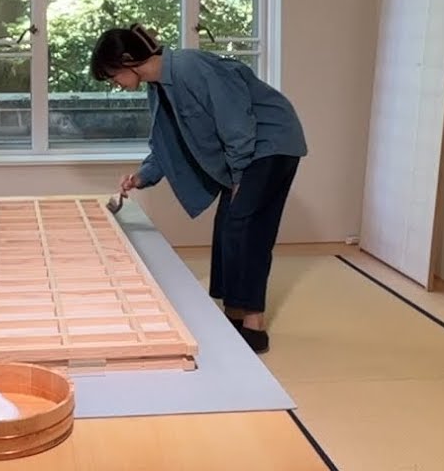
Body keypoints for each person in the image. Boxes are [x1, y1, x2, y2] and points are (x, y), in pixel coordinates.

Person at [89, 24, 306, 353]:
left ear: (128, 60)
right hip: (250, 148)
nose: (114, 83)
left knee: (245, 227)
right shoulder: (157, 87)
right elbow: (168, 143)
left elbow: (236, 122)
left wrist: (238, 176)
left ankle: (254, 326)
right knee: (227, 227)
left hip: (270, 142)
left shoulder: (192, 67)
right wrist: (142, 176)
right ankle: (232, 314)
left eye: (112, 75)